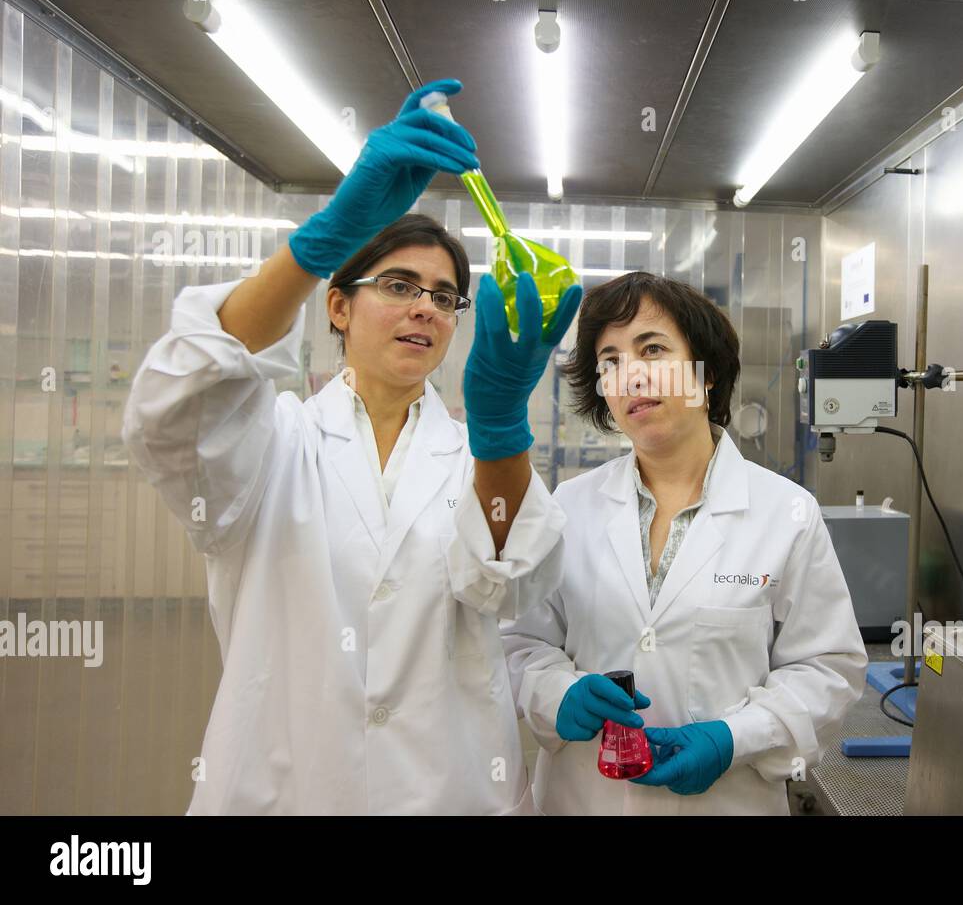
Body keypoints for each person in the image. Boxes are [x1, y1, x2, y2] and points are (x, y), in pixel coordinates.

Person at [121, 79, 580, 814]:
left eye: (444, 295)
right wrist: (319, 241)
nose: (424, 308)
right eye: (399, 285)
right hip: (289, 787)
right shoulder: (274, 442)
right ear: (337, 304)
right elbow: (176, 401)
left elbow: (508, 584)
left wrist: (500, 427)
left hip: (447, 790)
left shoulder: (478, 458)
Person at [501, 271, 867, 814]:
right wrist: (556, 696)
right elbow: (519, 646)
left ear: (707, 374)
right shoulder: (568, 508)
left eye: (652, 350)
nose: (632, 377)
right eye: (612, 361)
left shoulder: (786, 514)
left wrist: (733, 737)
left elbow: (827, 670)